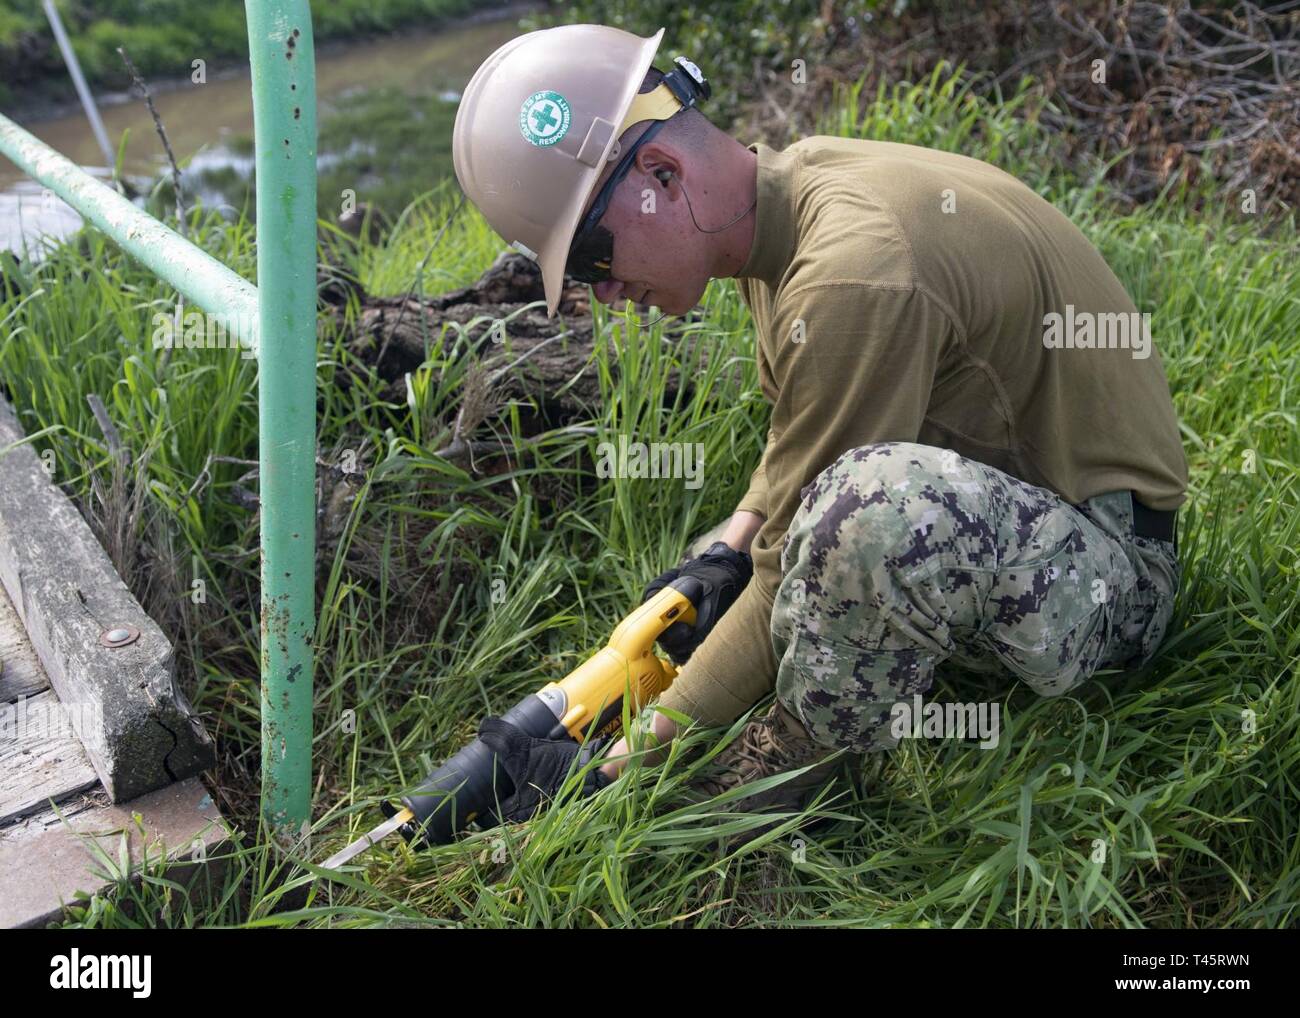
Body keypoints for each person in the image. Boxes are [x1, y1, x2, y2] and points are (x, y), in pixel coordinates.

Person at [455, 24, 1187, 843]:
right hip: (1028, 519)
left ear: (662, 172)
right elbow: (807, 434)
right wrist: (725, 554)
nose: (604, 292)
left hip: (1109, 585)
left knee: (865, 515)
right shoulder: (791, 195)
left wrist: (626, 765)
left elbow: (808, 547)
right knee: (812, 524)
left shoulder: (852, 273)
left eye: (590, 255)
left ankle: (788, 772)